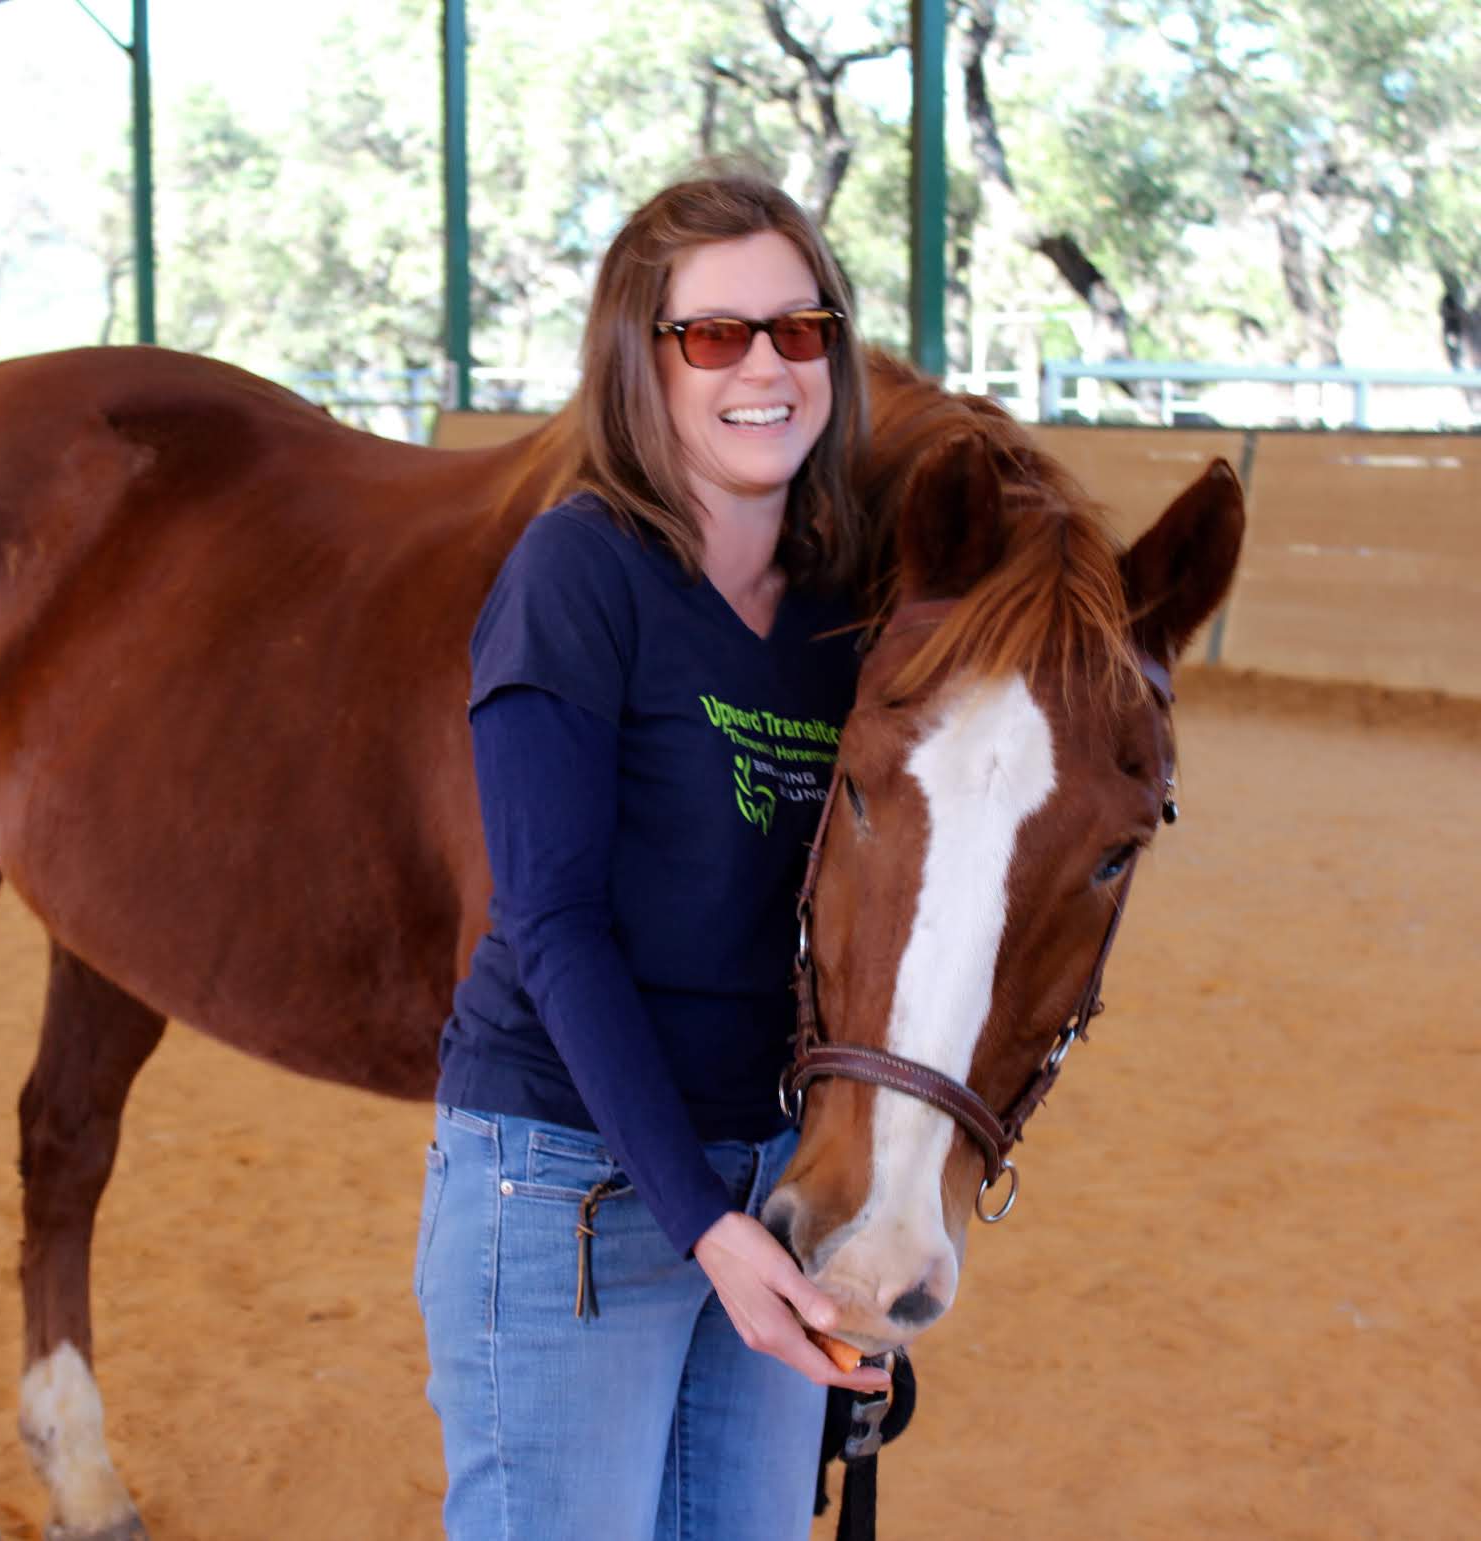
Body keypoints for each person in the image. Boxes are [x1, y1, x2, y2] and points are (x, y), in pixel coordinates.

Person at [415, 173, 890, 1541]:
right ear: (644, 361)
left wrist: (840, 1217)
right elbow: (553, 925)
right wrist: (701, 1222)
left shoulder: (846, 614)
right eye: (716, 335)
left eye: (800, 329)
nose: (766, 367)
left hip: (769, 1187)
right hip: (572, 1179)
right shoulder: (578, 576)